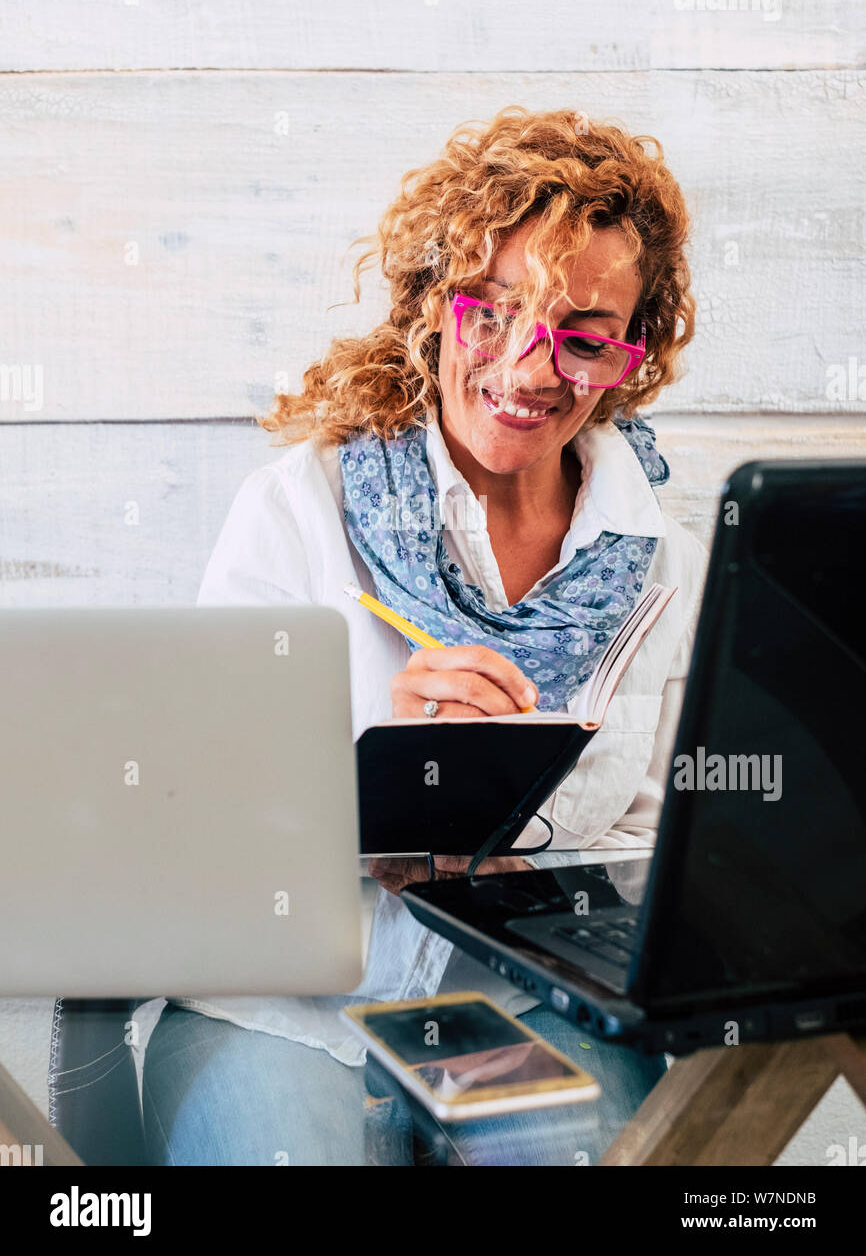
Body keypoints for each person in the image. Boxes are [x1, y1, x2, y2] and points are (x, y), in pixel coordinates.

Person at [142, 106, 707, 1165]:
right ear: (433, 308)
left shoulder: (661, 564)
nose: (529, 370)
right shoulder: (297, 509)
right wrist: (371, 783)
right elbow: (186, 823)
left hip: (523, 1011)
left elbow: (657, 856)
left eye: (580, 335)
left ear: (627, 356)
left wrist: (520, 857)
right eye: (491, 313)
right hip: (281, 1010)